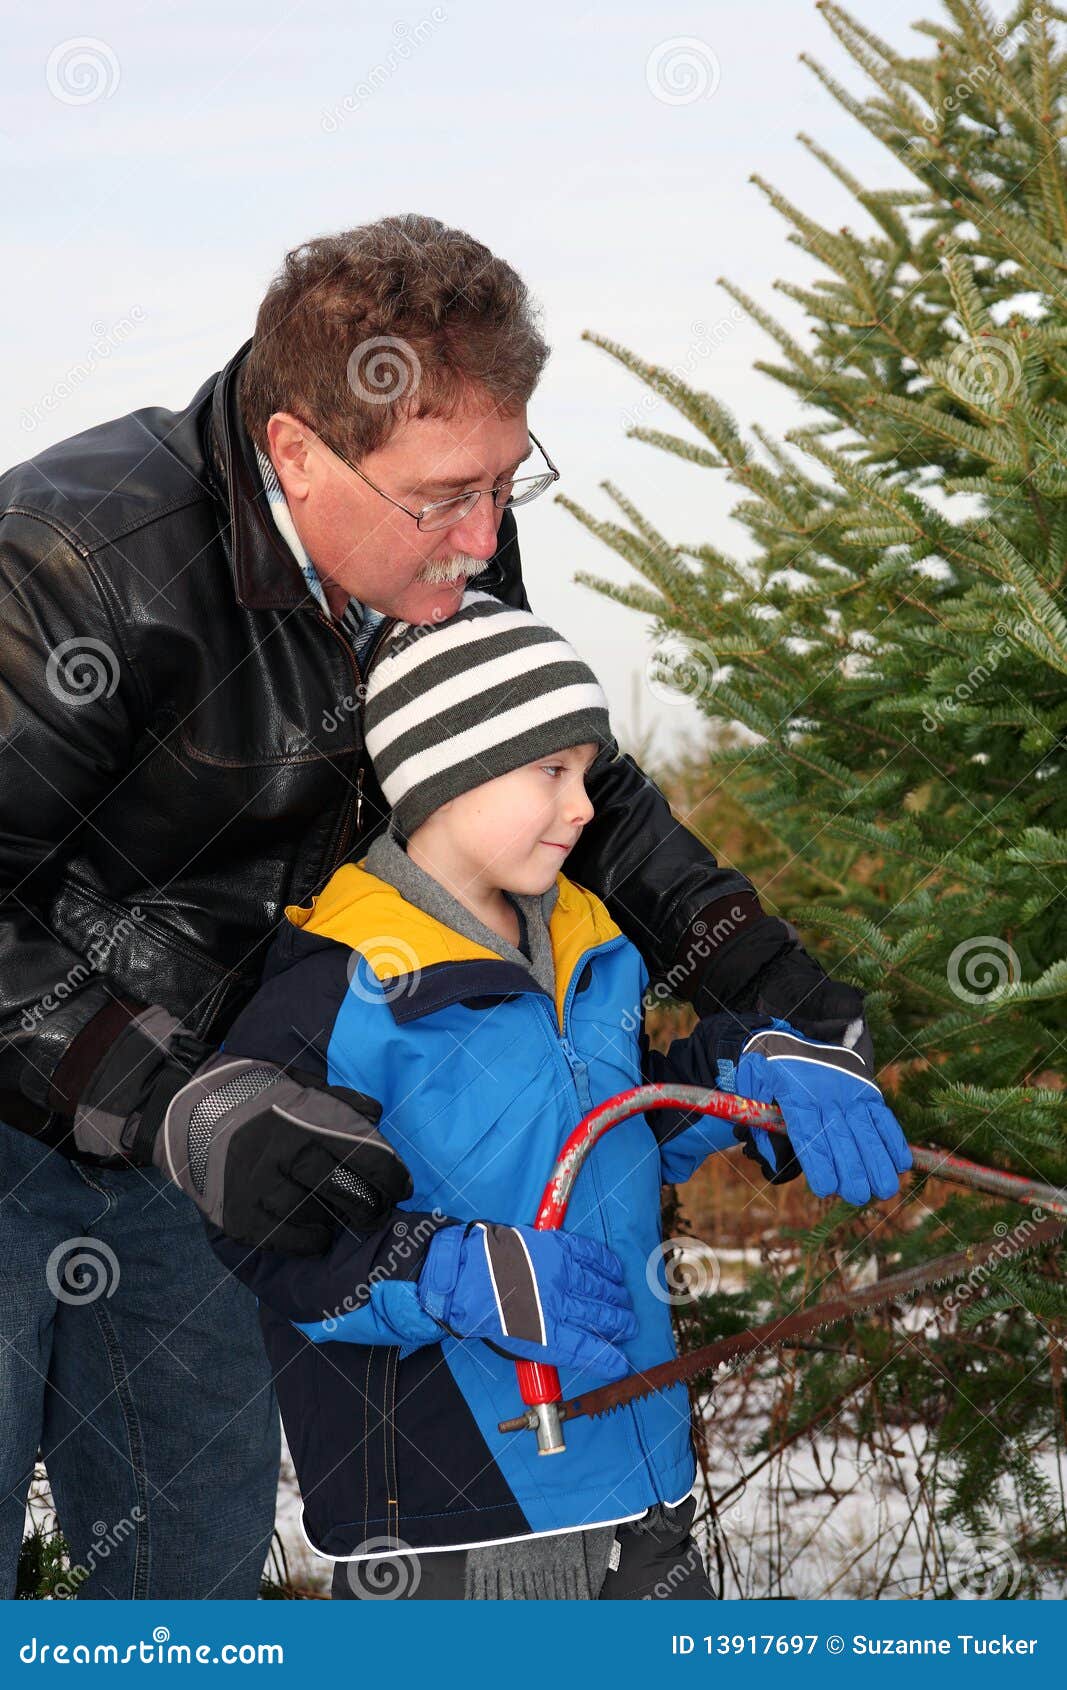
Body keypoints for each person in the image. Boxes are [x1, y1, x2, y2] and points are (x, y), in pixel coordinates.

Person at [0, 213, 887, 1598]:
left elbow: (544, 782)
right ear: (296, 451)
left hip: (238, 1125)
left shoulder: (443, 534)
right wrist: (167, 1094)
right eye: (442, 499)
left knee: (179, 1578)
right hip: (74, 1088)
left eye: (504, 481)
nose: (482, 538)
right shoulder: (69, 559)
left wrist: (757, 981)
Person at [203, 592, 911, 1601]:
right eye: (550, 772)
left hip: (642, 1472)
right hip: (456, 1506)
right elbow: (263, 1229)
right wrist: (442, 1267)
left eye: (584, 773)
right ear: (443, 780)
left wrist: (750, 1063)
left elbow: (611, 1120)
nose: (583, 806)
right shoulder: (335, 987)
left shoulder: (586, 934)